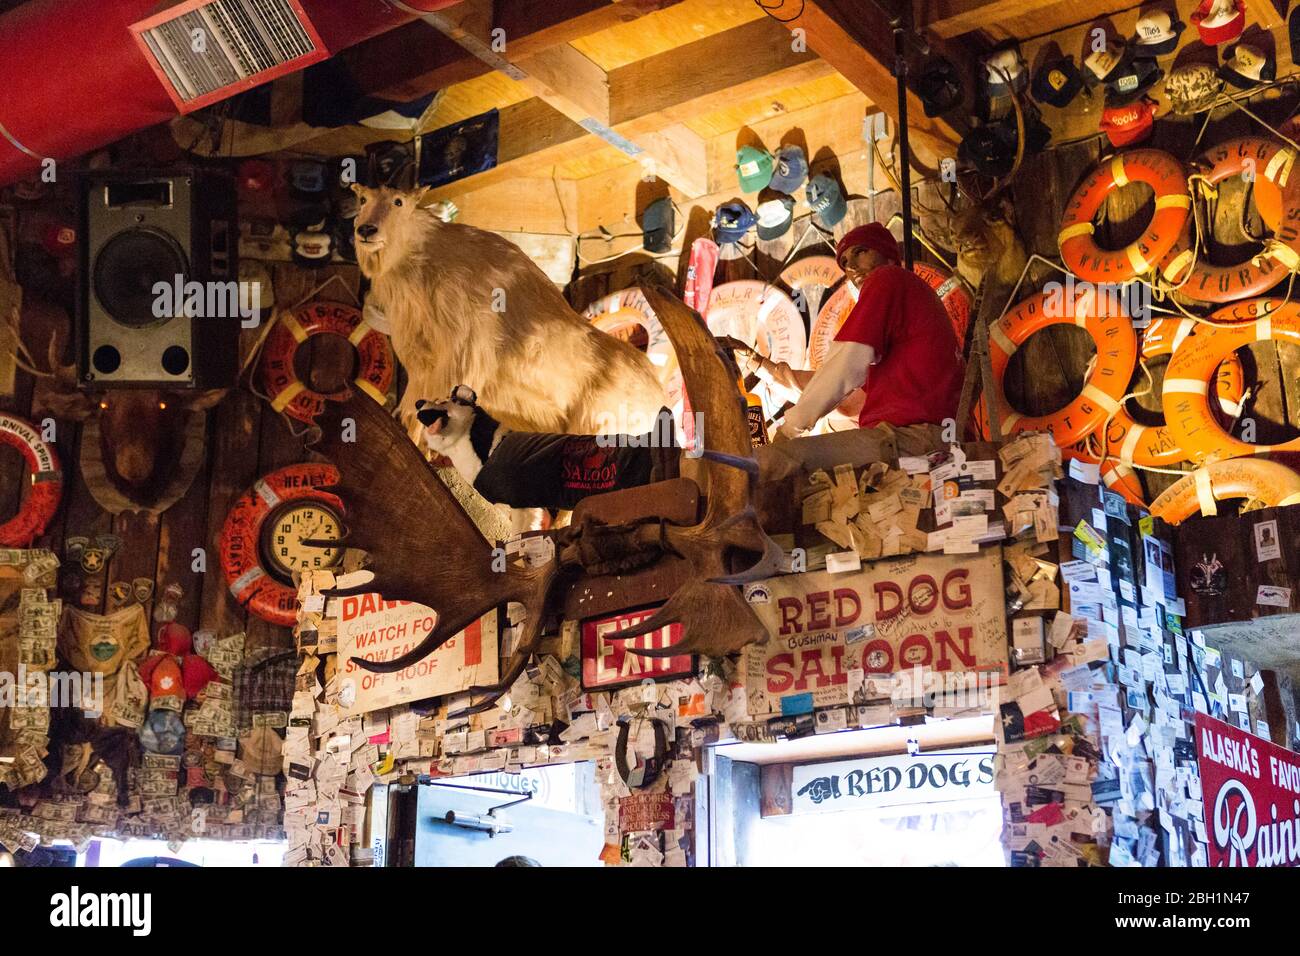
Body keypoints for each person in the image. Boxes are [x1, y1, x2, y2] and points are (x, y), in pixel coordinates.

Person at [727, 223, 964, 467]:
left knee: (768, 462)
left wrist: (789, 429)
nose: (851, 266)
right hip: (929, 439)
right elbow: (846, 398)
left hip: (912, 439)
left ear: (888, 255)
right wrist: (758, 364)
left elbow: (845, 363)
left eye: (861, 252)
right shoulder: (912, 302)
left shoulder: (888, 279)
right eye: (844, 261)